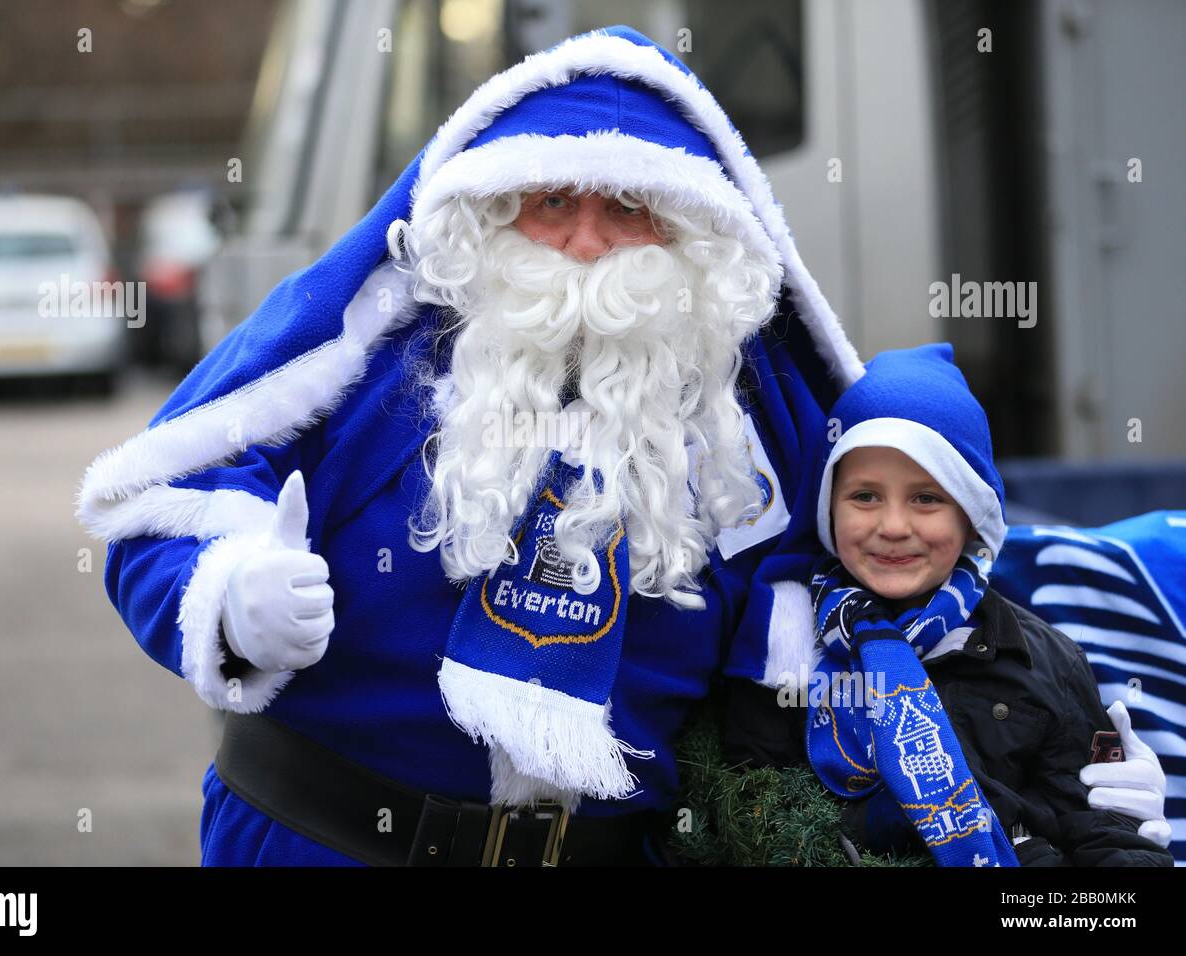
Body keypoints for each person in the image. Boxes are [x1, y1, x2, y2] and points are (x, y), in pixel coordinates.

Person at [77, 26, 1166, 866]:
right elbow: (163, 490)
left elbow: (913, 559)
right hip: (325, 842)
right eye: (551, 201)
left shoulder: (763, 409)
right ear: (493, 208)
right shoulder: (366, 351)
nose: (589, 242)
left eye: (630, 209)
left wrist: (1081, 758)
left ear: (696, 231)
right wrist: (225, 592)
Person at [721, 343, 1173, 865]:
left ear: (972, 514)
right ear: (827, 507)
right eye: (865, 496)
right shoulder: (779, 651)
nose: (892, 526)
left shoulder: (1044, 659)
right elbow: (746, 815)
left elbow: (1105, 831)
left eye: (926, 498)